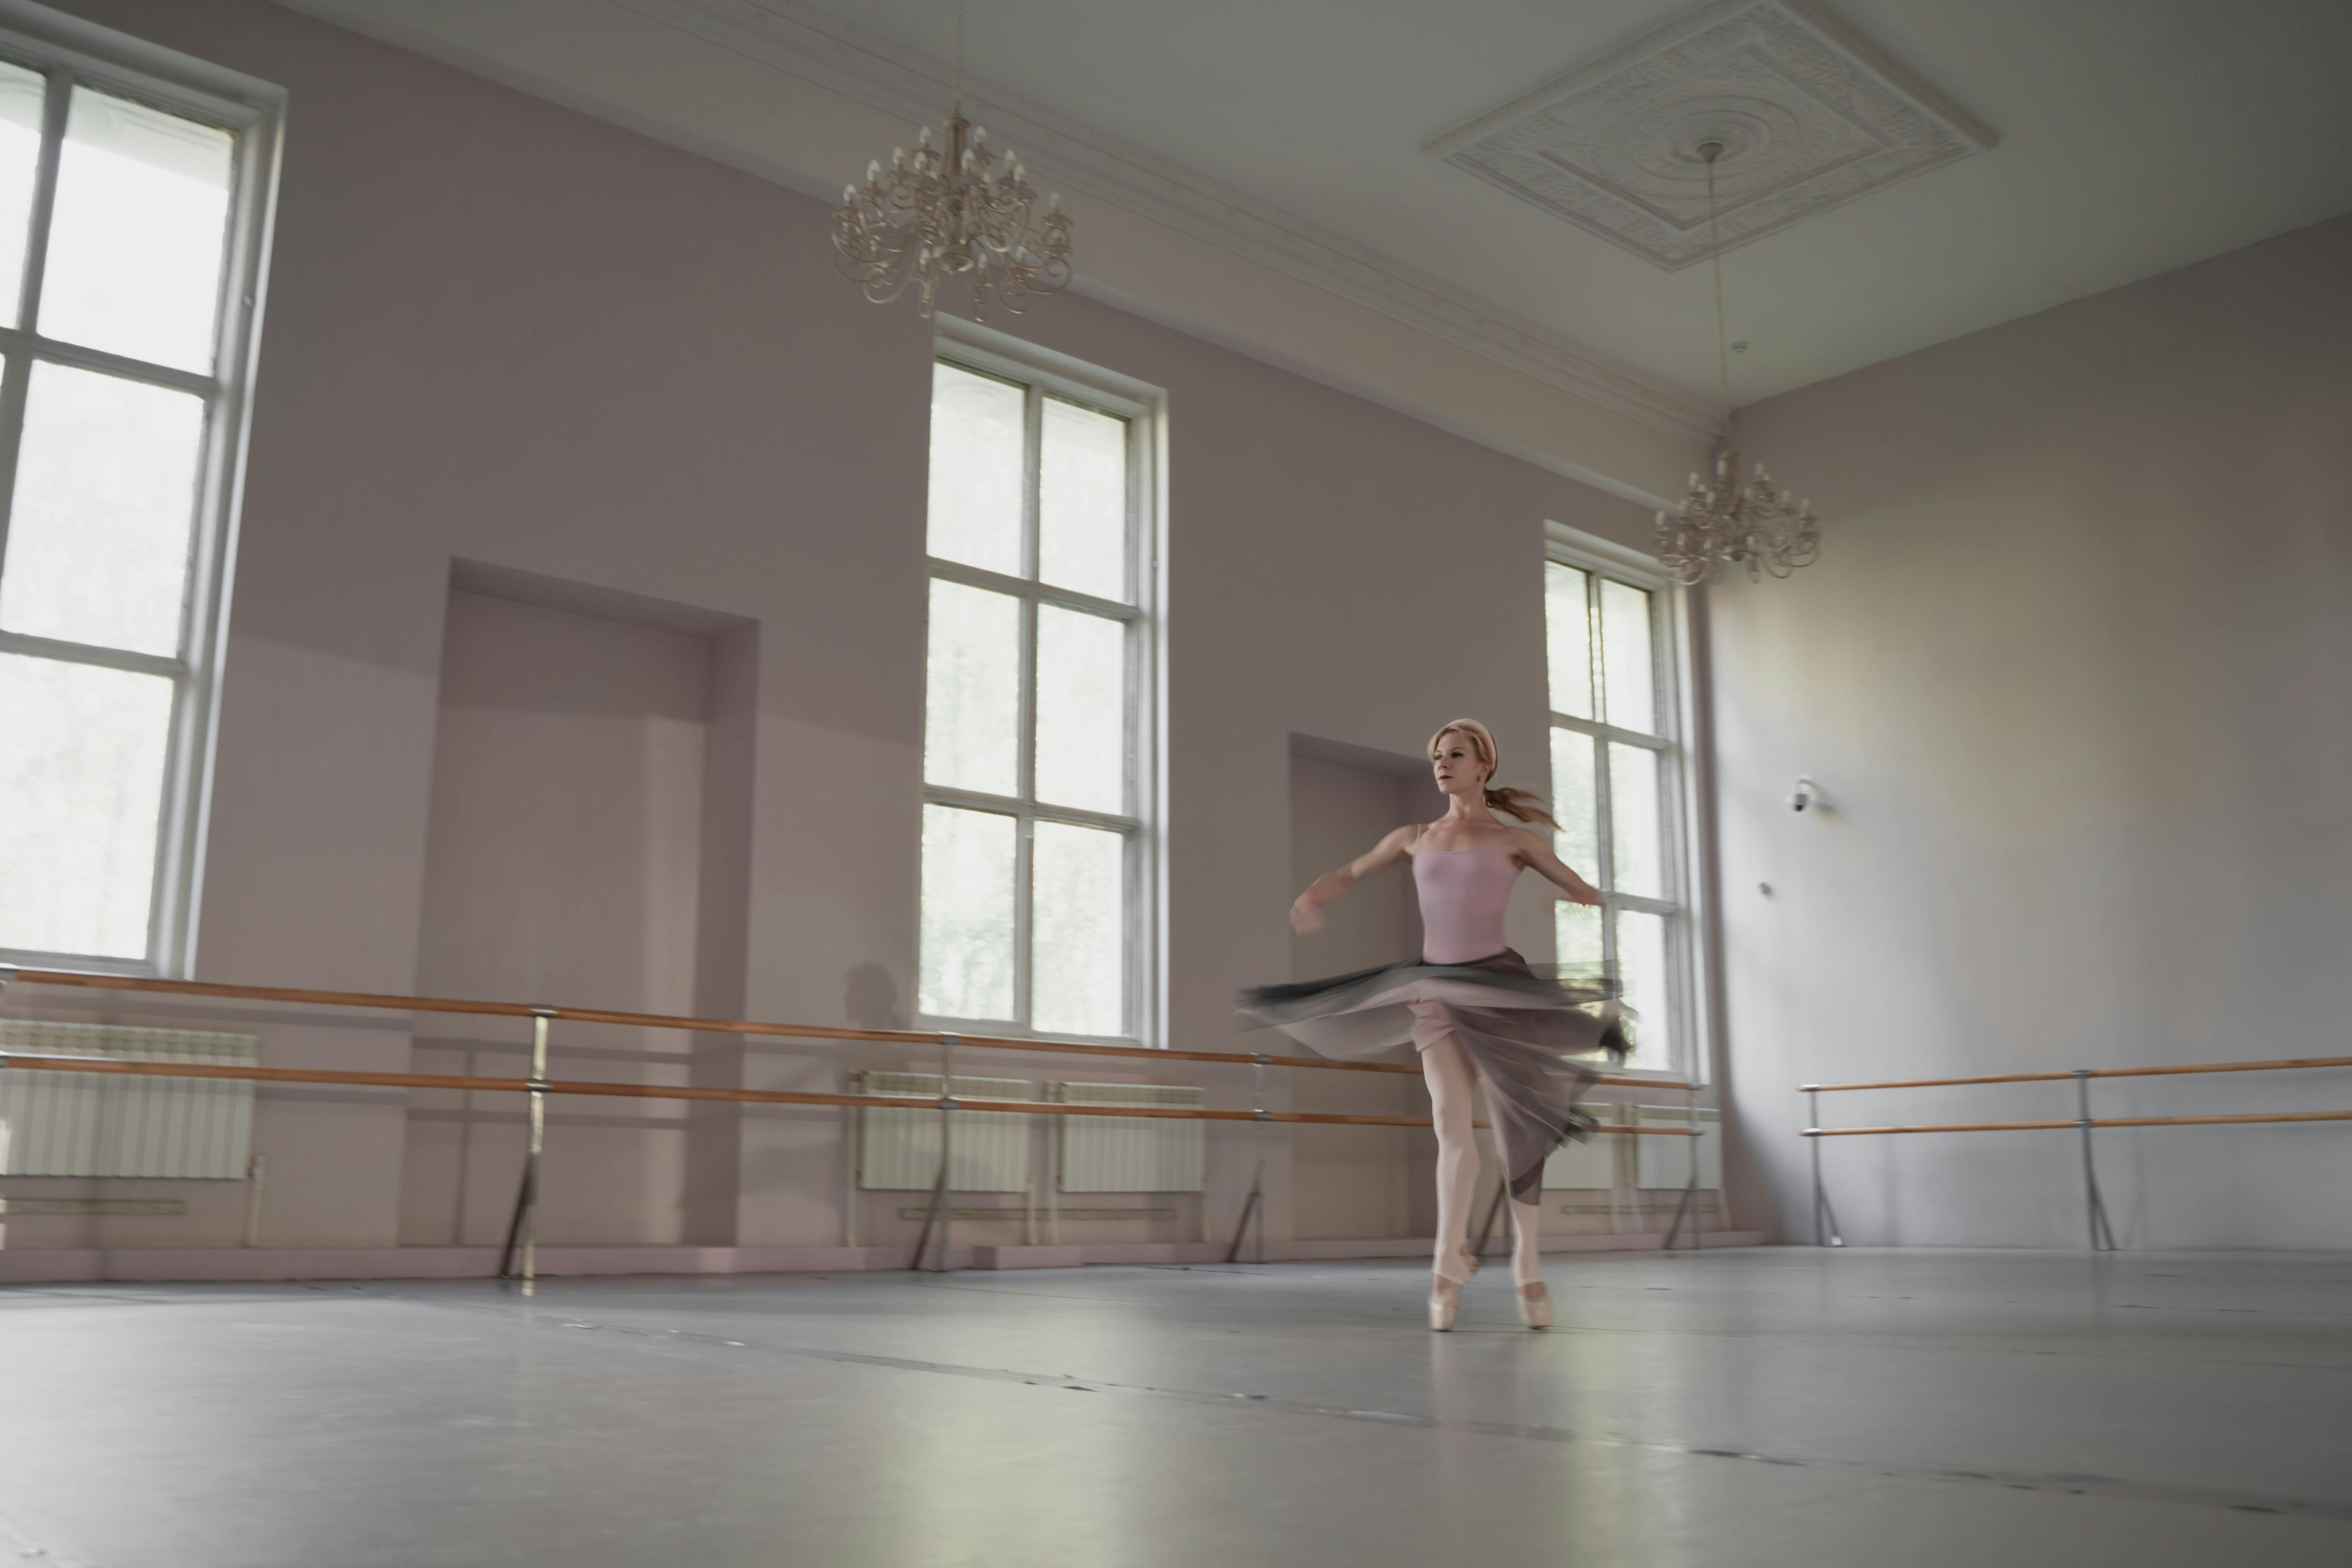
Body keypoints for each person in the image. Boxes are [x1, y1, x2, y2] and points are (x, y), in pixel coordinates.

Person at [1238, 719, 1626, 1330]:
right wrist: (1316, 895)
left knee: (1515, 1130)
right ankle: (1449, 1262)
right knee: (1450, 1127)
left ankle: (1527, 1262)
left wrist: (1580, 897)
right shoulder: (1413, 837)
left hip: (1499, 991)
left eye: (1455, 756)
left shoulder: (1515, 842)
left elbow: (1583, 889)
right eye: (1436, 757)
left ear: (1482, 767)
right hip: (1436, 993)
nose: (1442, 765)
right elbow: (1352, 870)